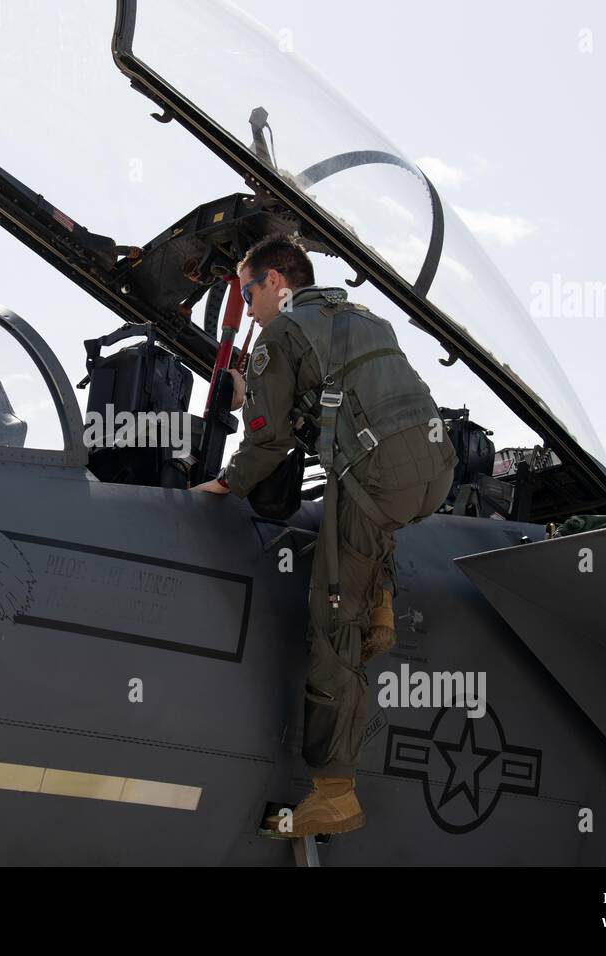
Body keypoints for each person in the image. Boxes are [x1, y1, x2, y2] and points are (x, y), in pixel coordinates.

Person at [191, 233, 457, 837]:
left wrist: (225, 486)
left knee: (331, 626)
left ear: (278, 283)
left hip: (378, 479)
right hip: (434, 473)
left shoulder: (280, 334)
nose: (247, 303)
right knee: (359, 503)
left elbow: (268, 439)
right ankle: (381, 604)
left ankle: (333, 793)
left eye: (248, 289)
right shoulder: (364, 317)